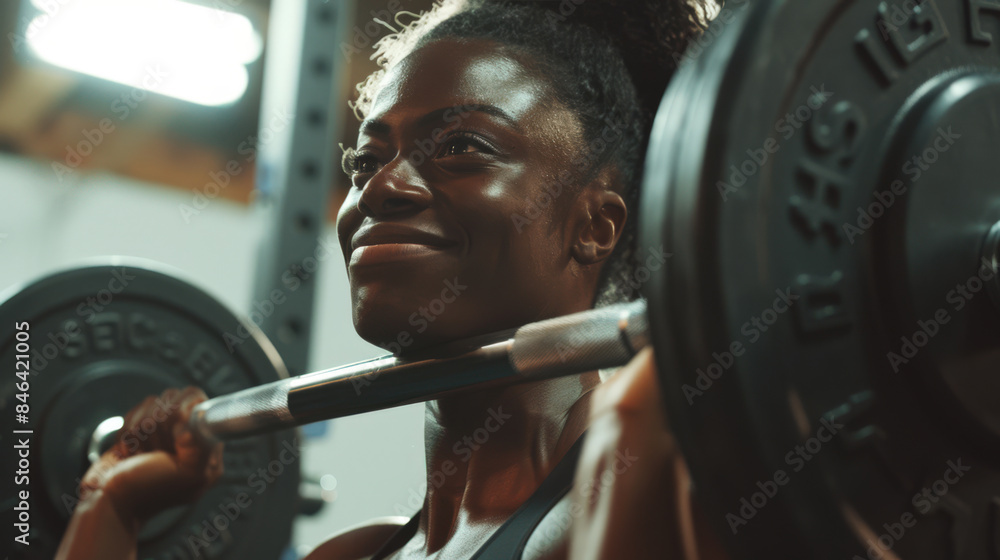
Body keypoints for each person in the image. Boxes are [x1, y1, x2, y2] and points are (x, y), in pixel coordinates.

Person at [55, 1, 728, 558]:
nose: (381, 187)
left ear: (596, 225)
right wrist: (108, 504)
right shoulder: (353, 554)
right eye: (364, 160)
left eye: (462, 147)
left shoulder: (658, 492)